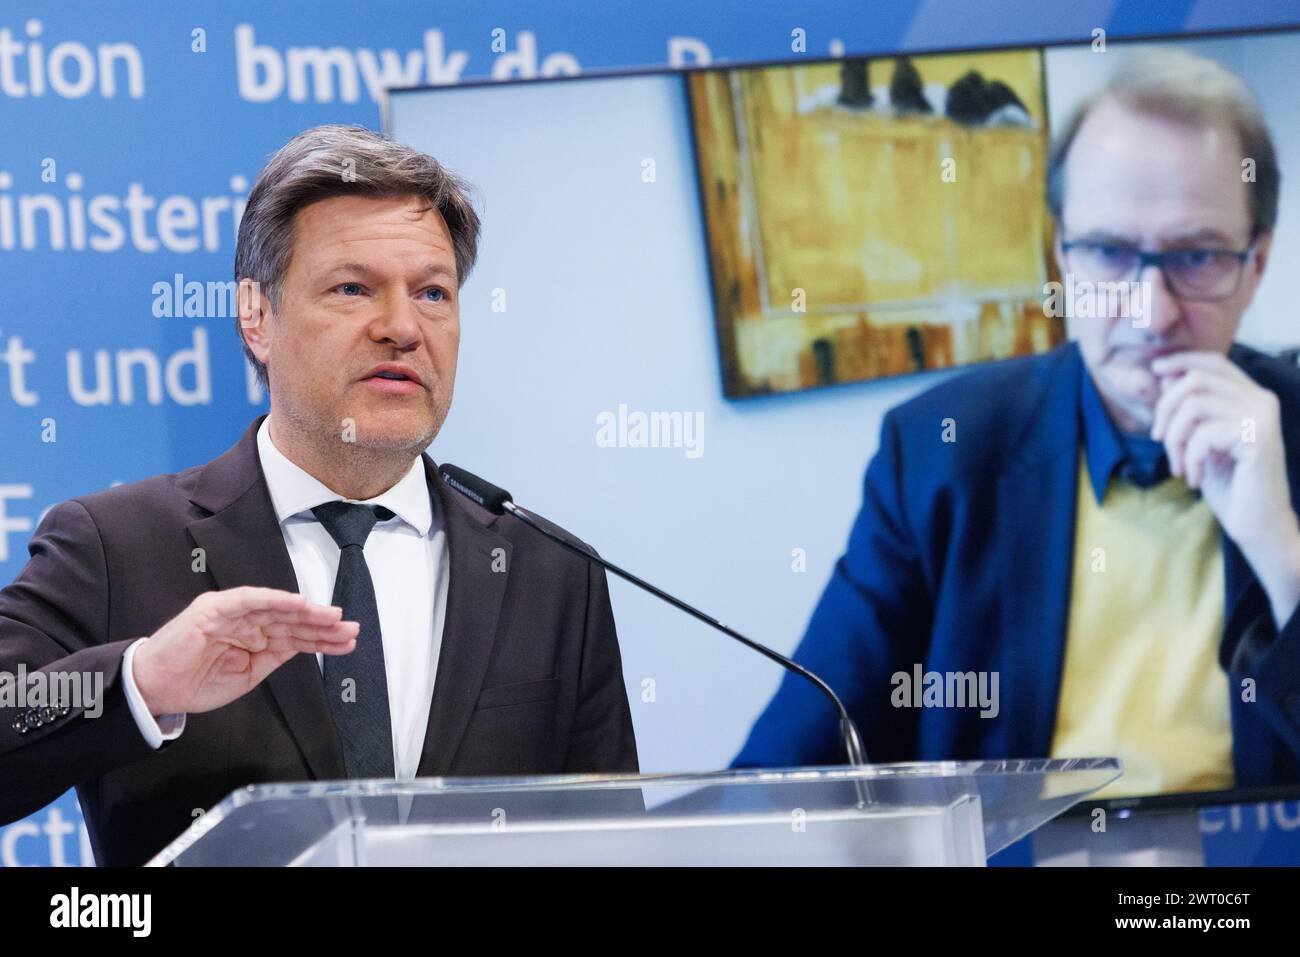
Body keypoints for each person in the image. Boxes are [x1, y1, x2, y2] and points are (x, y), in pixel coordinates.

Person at [0, 125, 638, 866]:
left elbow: (612, 844)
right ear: (257, 314)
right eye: (352, 288)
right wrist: (141, 680)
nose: (402, 327)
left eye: (433, 292)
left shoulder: (552, 574)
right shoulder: (115, 546)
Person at [735, 50, 1300, 797]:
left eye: (1196, 256)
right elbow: (784, 774)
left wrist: (1283, 552)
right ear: (1061, 252)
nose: (1151, 313)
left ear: (1257, 263)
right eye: (1108, 251)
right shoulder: (940, 453)